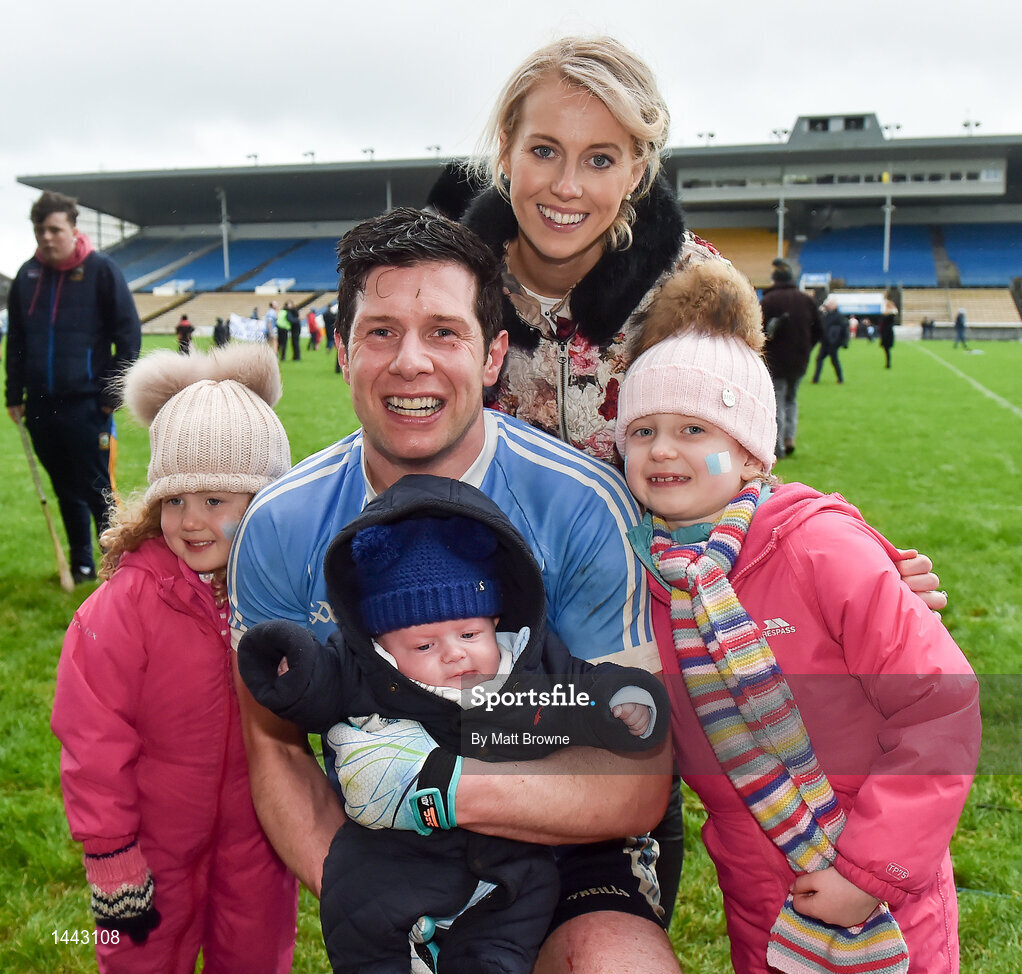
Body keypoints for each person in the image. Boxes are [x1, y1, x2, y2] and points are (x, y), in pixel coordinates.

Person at [227, 207, 679, 974]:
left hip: (574, 831)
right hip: (392, 847)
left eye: (444, 331)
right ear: (341, 352)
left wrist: (437, 789)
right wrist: (368, 886)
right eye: (380, 332)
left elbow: (633, 775)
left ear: (494, 353)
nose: (411, 362)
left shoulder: (580, 503)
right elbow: (272, 747)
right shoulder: (280, 523)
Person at [614, 259, 980, 974]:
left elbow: (941, 708)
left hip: (886, 888)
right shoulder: (649, 581)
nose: (662, 448)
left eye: (695, 429)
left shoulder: (820, 549)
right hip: (759, 895)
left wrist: (870, 873)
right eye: (643, 430)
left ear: (752, 455)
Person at [239, 477, 668, 974]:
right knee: (369, 936)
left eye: (469, 633)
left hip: (508, 867)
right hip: (392, 863)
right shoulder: (370, 674)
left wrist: (626, 702)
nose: (454, 653)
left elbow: (585, 690)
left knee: (501, 946)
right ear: (384, 646)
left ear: (496, 621)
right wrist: (291, 670)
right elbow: (317, 690)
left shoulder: (527, 669)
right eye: (424, 646)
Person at [51, 342, 298, 973]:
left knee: (254, 957)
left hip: (260, 840)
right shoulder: (123, 607)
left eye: (215, 501)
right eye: (174, 499)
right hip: (148, 848)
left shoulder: (280, 598)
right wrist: (110, 851)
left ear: (263, 503)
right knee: (141, 959)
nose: (190, 521)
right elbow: (92, 737)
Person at [5, 190, 141, 584]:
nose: (46, 237)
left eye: (54, 229)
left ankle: (114, 563)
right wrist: (14, 395)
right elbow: (15, 342)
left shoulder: (101, 270)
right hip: (40, 406)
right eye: (39, 230)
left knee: (98, 488)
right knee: (65, 489)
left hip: (87, 405)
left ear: (72, 229)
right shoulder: (26, 277)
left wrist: (110, 396)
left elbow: (128, 336)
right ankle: (82, 563)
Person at [759, 262, 822, 458]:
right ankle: (790, 438)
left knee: (777, 400)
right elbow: (819, 329)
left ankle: (778, 447)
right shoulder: (806, 300)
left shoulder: (768, 301)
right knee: (792, 399)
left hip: (776, 360)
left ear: (775, 279)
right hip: (799, 360)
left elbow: (759, 331)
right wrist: (807, 347)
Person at [812, 295, 849, 383]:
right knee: (819, 359)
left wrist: (844, 342)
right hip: (825, 342)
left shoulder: (838, 317)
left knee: (834, 361)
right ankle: (815, 379)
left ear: (835, 305)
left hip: (833, 343)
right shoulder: (826, 315)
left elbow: (844, 329)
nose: (828, 305)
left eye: (830, 304)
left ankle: (840, 379)